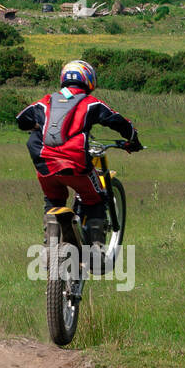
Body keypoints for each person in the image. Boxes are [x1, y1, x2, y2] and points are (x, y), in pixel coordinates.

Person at [15, 59, 142, 247]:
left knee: (53, 200)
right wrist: (133, 139)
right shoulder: (90, 102)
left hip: (45, 166)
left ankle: (50, 243)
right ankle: (97, 250)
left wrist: (38, 126)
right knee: (97, 198)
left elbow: (21, 119)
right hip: (75, 165)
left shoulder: (46, 101)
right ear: (89, 80)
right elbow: (117, 121)